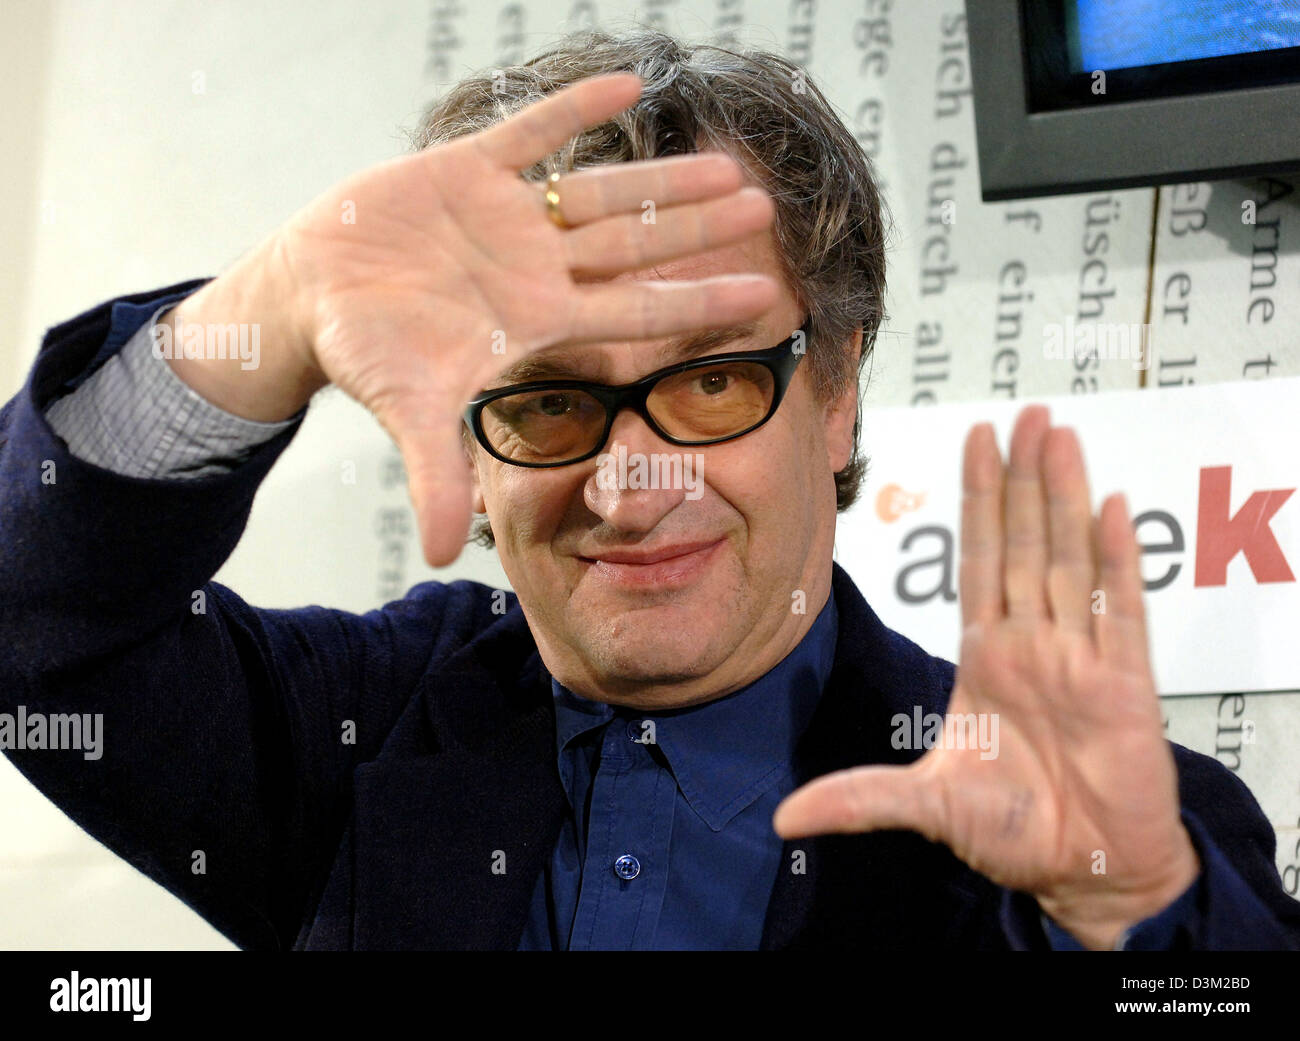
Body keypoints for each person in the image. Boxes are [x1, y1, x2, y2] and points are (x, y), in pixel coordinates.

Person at [1, 28, 1296, 951]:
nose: (625, 489)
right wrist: (268, 311)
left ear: (835, 385)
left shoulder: (1100, 814)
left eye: (711, 384)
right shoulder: (365, 735)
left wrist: (1133, 911)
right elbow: (36, 629)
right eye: (551, 401)